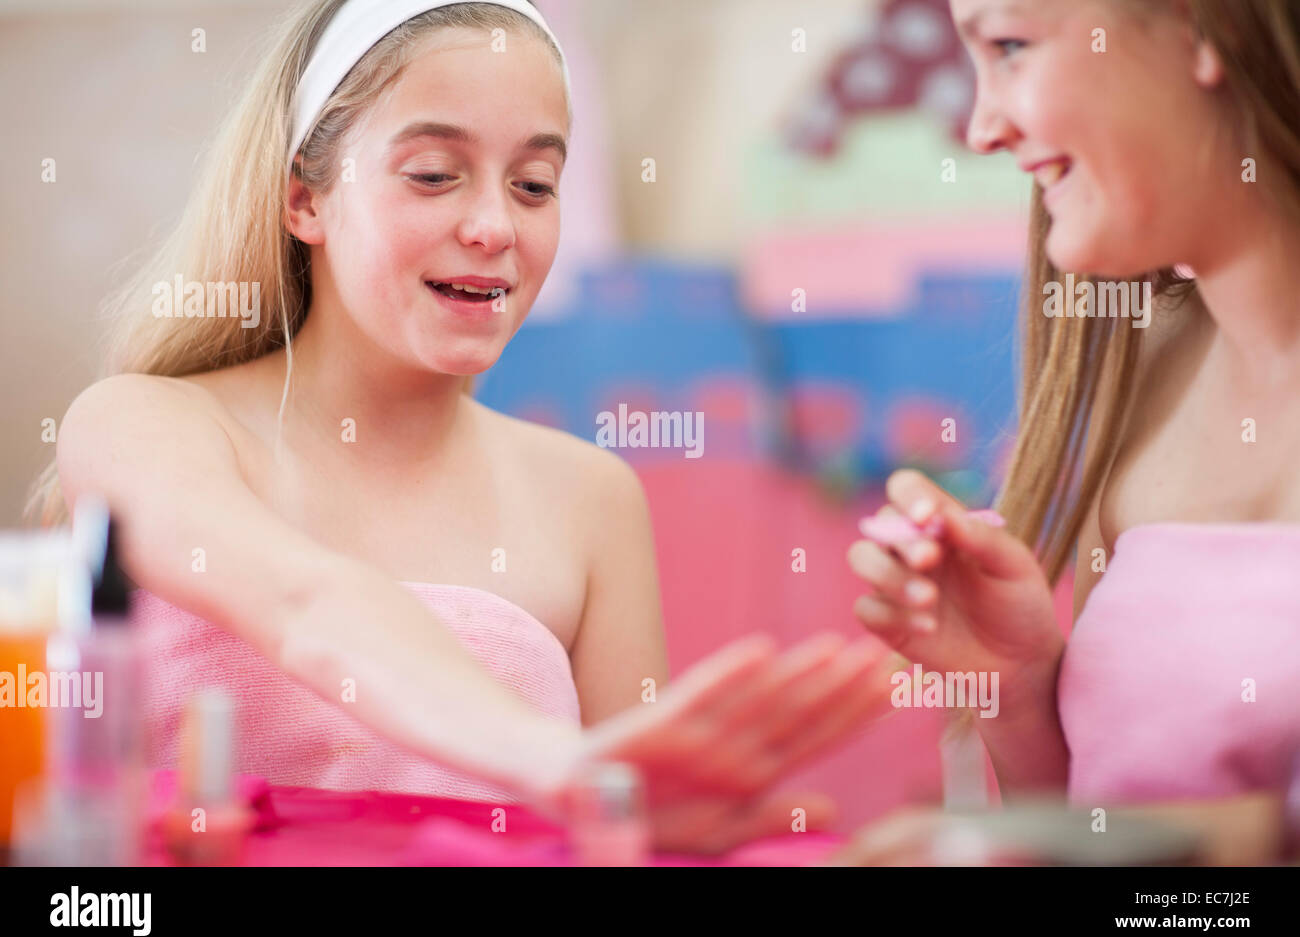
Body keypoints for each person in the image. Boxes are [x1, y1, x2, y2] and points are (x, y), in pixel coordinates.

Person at [30, 0, 898, 855]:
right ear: (306, 200)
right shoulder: (143, 423)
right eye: (435, 173)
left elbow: (637, 819)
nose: (494, 228)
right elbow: (308, 606)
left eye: (534, 186)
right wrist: (565, 764)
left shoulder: (591, 496)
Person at [838, 0, 1300, 864]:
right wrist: (1018, 686)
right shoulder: (1142, 380)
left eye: (1011, 47)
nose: (980, 128)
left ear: (1207, 28)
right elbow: (1109, 844)